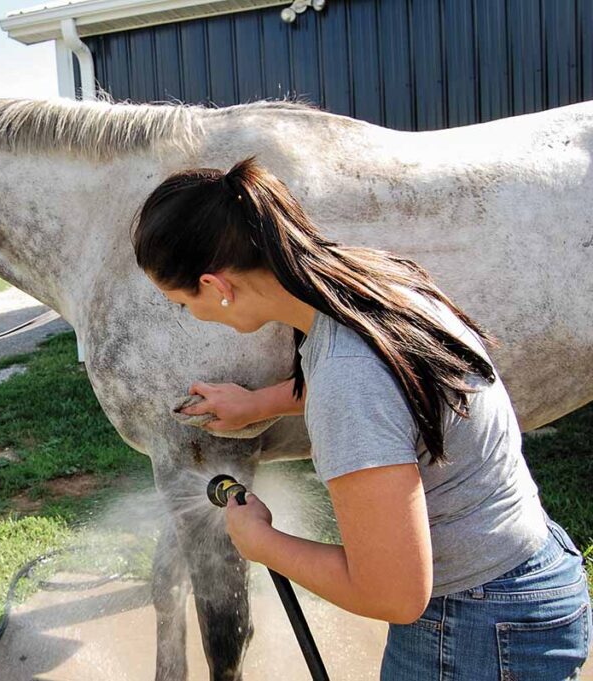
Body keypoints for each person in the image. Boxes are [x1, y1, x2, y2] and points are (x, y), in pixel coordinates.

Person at [130, 156, 591, 680]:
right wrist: (259, 403)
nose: (189, 316)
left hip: (474, 626)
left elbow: (394, 594)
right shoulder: (362, 283)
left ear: (216, 286)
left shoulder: (348, 379)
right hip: (527, 574)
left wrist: (263, 544)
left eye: (180, 303)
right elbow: (395, 384)